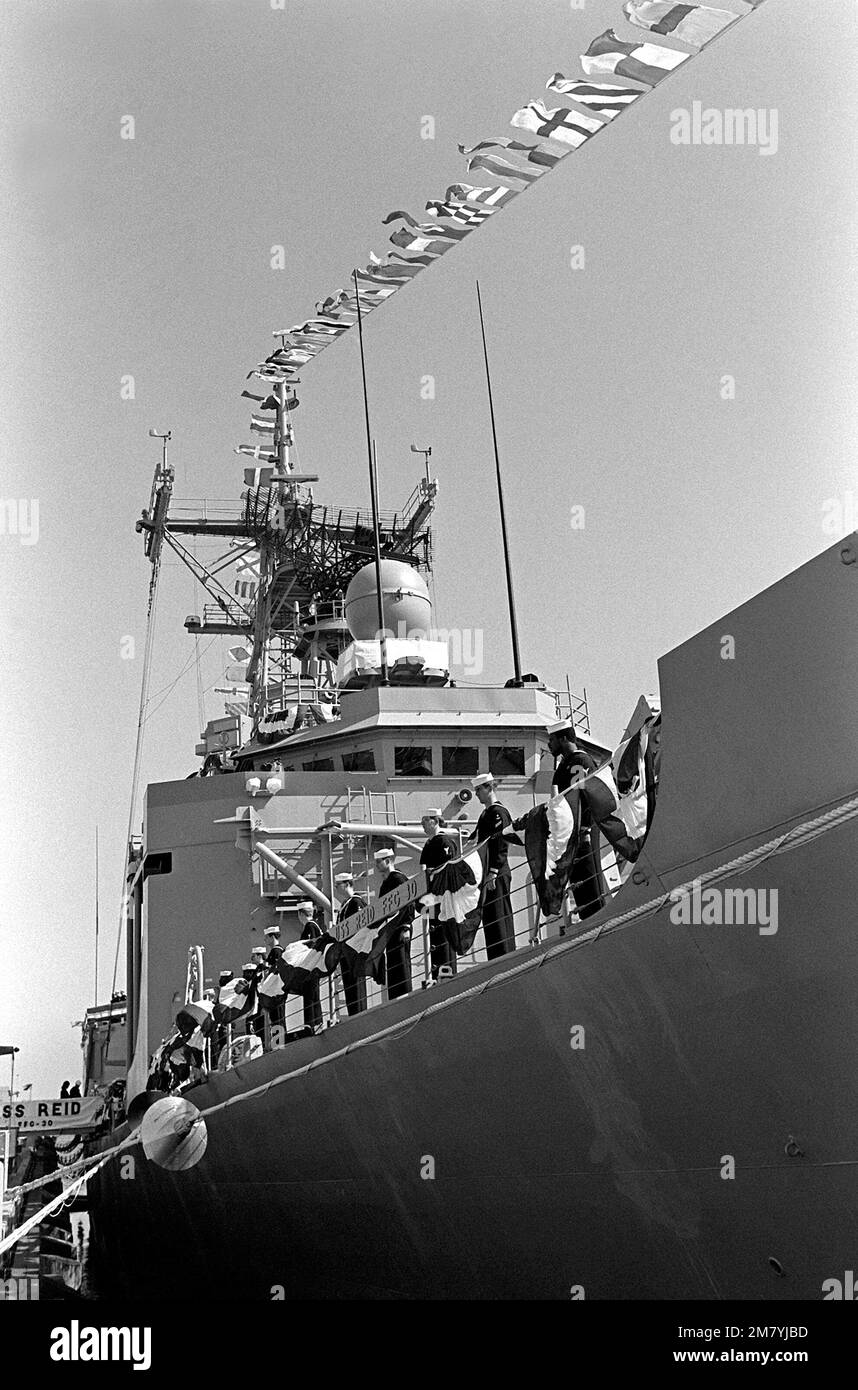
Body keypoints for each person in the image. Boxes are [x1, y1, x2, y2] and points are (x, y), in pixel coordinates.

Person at [548, 722, 641, 863]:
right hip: (568, 836)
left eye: (552, 740)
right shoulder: (566, 764)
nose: (550, 744)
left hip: (580, 838)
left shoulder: (579, 761)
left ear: (563, 739)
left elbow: (578, 797)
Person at [469, 774, 517, 958]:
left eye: (478, 790)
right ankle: (496, 957)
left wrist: (493, 872)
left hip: (496, 872)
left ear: (489, 788)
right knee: (491, 919)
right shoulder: (486, 814)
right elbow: (477, 838)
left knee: (499, 916)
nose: (476, 795)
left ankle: (505, 956)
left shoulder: (498, 812)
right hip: (486, 873)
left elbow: (502, 842)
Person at [419, 809, 458, 980]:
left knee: (443, 934)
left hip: (443, 896)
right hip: (432, 898)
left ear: (434, 821)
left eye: (425, 820)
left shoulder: (443, 841)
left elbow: (447, 868)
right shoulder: (430, 843)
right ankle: (436, 973)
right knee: (434, 933)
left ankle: (446, 973)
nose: (422, 823)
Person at [373, 848, 415, 999]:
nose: (376, 865)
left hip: (399, 928)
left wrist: (406, 926)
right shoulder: (386, 883)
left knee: (401, 963)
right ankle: (396, 996)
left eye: (379, 861)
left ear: (388, 861)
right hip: (390, 930)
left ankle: (405, 996)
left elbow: (409, 903)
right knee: (394, 965)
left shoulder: (398, 879)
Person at [334, 871, 368, 1015]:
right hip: (345, 952)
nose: (336, 888)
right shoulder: (345, 904)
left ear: (347, 884)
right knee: (350, 987)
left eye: (338, 885)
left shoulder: (356, 902)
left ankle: (359, 1014)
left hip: (354, 951)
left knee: (356, 986)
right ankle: (354, 1014)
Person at [296, 900, 324, 1032]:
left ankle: (312, 1026)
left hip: (310, 969)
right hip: (314, 968)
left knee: (310, 998)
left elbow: (310, 948)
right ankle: (316, 1025)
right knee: (313, 997)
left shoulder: (310, 927)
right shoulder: (315, 926)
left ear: (301, 914)